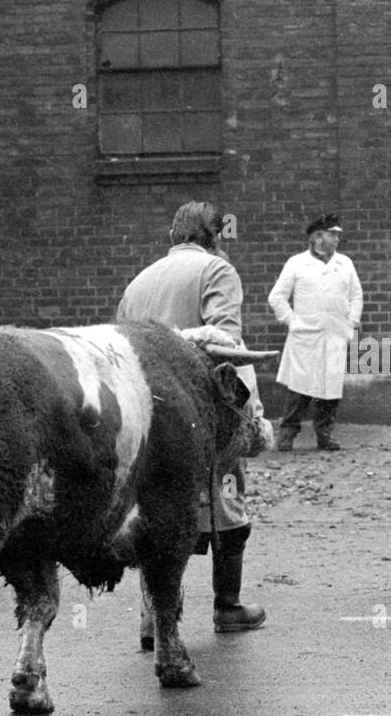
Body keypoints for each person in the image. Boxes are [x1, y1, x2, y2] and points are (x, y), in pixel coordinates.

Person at [117, 201, 267, 633]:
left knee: (158, 510)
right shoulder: (217, 271)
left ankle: (153, 622)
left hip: (148, 412)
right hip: (200, 410)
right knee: (226, 498)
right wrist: (248, 416)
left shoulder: (138, 282)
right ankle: (227, 606)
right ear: (214, 236)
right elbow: (225, 342)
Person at [268, 211, 363, 452]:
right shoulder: (297, 263)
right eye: (332, 234)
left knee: (330, 390)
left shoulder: (345, 264)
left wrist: (351, 322)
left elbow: (356, 295)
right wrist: (292, 321)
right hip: (306, 337)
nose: (336, 239)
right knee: (300, 389)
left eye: (337, 235)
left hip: (335, 335)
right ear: (316, 237)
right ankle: (288, 434)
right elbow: (277, 297)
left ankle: (325, 435)